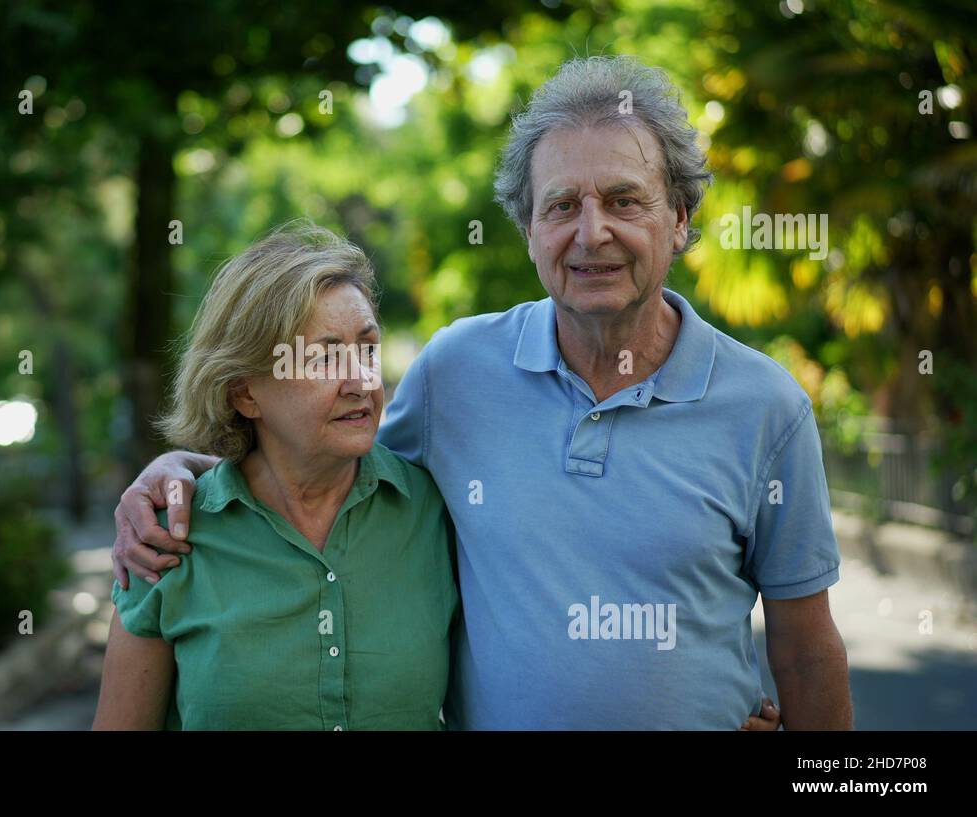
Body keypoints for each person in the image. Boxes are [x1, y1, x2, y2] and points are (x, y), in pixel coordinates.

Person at [111, 55, 846, 730]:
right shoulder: (456, 370)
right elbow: (325, 464)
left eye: (624, 201)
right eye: (560, 206)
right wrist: (180, 471)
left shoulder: (767, 409)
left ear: (679, 219)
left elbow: (807, 652)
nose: (592, 233)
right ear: (527, 229)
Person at [92, 223, 459, 730]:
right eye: (325, 357)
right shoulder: (164, 537)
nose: (359, 381)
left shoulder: (436, 509)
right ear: (244, 393)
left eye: (368, 349)